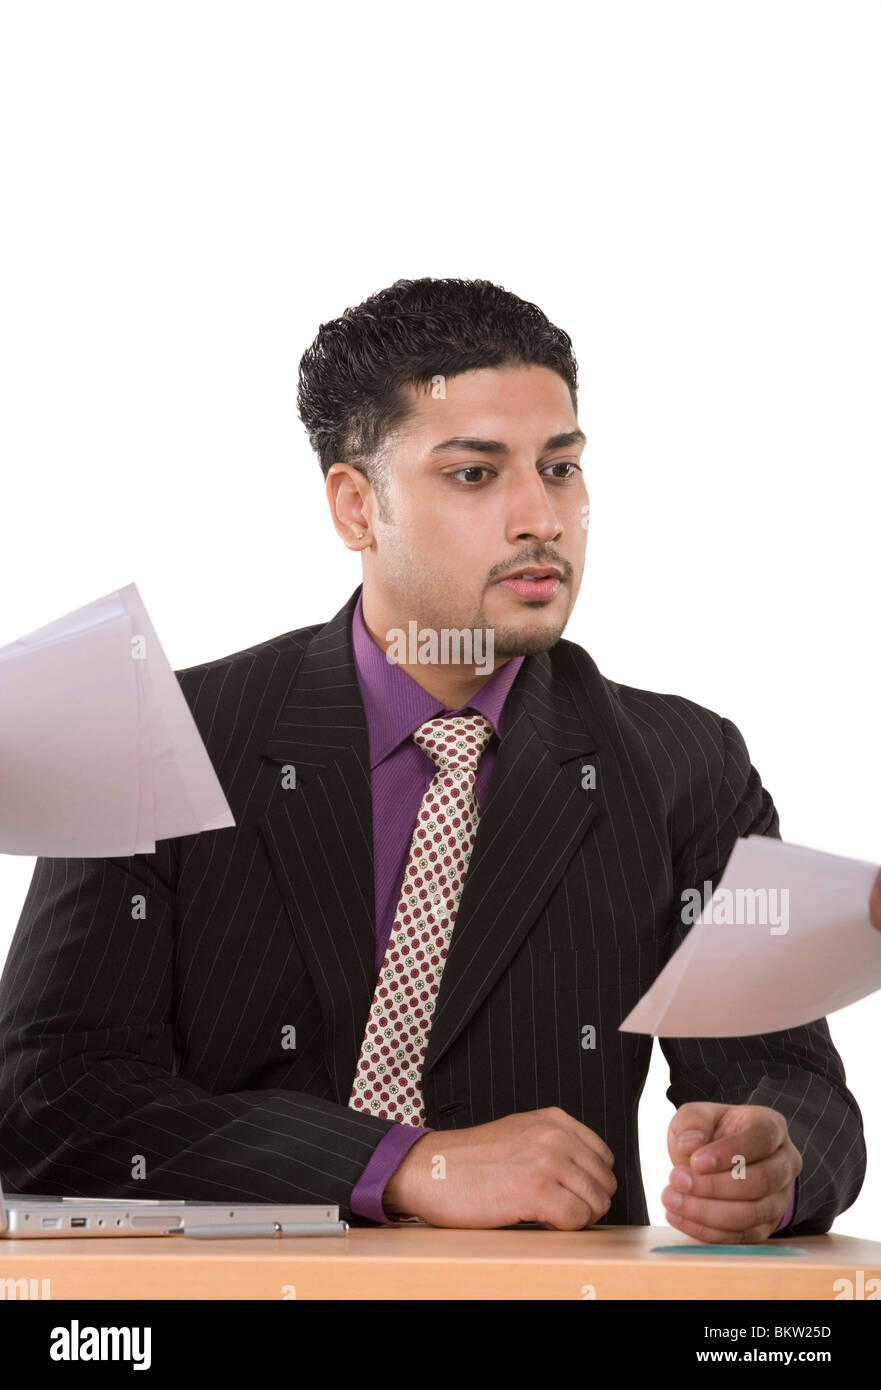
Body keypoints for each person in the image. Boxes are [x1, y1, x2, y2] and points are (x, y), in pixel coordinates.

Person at [0, 278, 868, 1243]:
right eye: (474, 474)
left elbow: (791, 1084)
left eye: (561, 468)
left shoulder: (681, 762)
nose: (541, 518)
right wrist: (403, 1164)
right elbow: (50, 1102)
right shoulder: (162, 736)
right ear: (355, 507)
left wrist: (772, 1162)